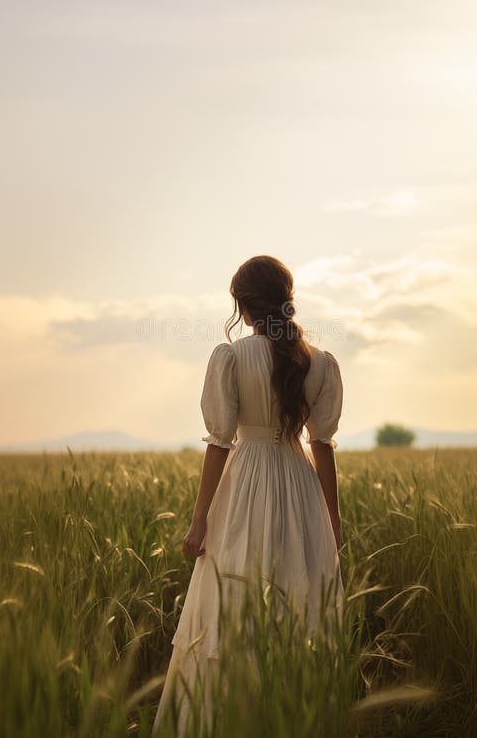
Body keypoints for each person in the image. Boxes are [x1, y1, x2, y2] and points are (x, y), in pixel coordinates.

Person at [152, 255, 344, 736]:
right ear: (286, 299)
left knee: (229, 601)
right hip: (299, 487)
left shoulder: (232, 358)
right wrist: (333, 523)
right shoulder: (318, 362)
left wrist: (199, 522)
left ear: (242, 304)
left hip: (244, 485)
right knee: (294, 605)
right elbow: (321, 447)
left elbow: (220, 444)